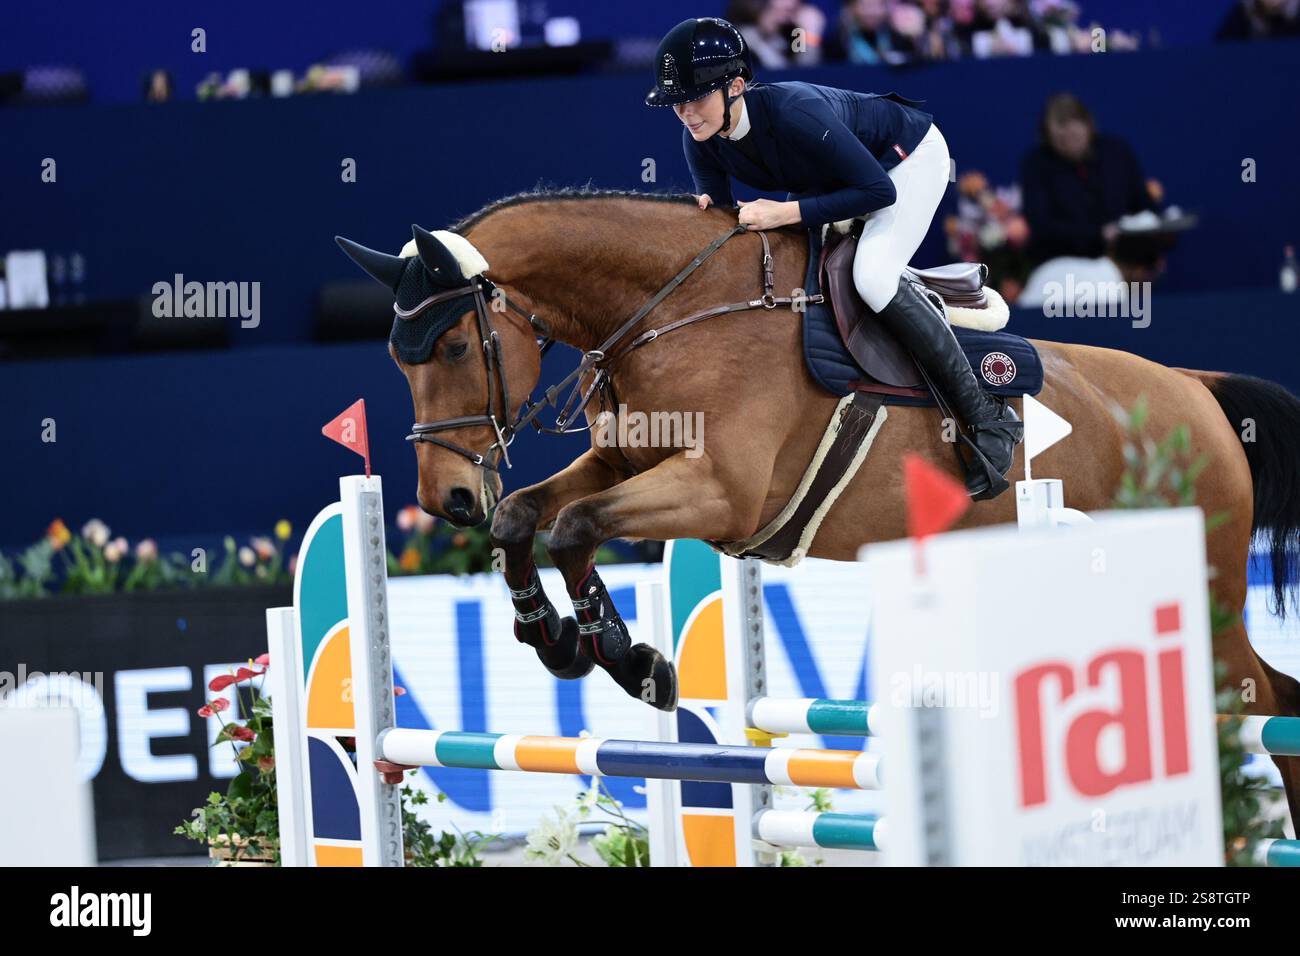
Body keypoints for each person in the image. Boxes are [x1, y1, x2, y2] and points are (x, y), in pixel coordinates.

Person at [645, 16, 1022, 499]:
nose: (686, 114)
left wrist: (783, 211)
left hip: (903, 161)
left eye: (694, 100)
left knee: (872, 277)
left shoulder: (794, 112)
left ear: (736, 86)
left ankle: (988, 418)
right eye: (676, 105)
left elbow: (876, 191)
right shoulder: (698, 138)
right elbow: (724, 222)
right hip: (835, 181)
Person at [1020, 92, 1156, 264]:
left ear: (1089, 126)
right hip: (1064, 263)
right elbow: (1042, 225)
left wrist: (1157, 224)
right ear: (1047, 138)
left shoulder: (1116, 153)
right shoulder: (1036, 164)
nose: (1070, 143)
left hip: (1122, 258)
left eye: (1075, 135)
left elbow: (1141, 202)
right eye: (1061, 139)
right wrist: (1098, 233)